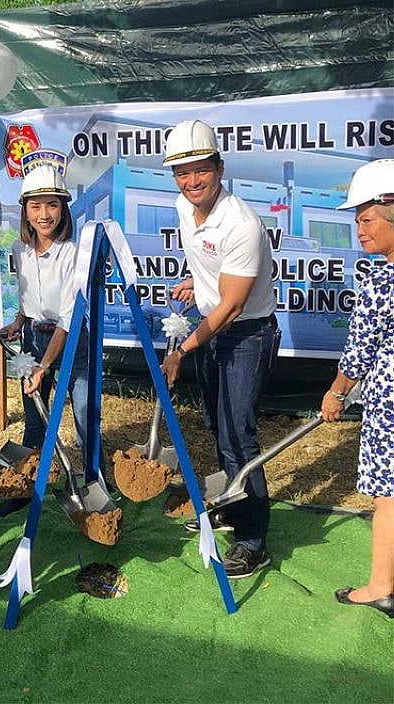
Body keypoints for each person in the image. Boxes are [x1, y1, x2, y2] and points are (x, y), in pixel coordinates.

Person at [160, 119, 279, 580]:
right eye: (181, 172)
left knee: (239, 437)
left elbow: (231, 307)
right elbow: (213, 273)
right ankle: (232, 505)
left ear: (219, 167)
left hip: (246, 335)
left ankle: (253, 540)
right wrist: (197, 282)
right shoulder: (182, 206)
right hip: (215, 329)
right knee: (216, 425)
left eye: (200, 170)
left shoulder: (242, 224)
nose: (191, 181)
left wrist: (181, 350)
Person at [0, 163, 100, 516]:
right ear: (25, 209)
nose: (44, 215)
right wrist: (18, 321)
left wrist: (45, 365)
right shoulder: (20, 252)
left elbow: (69, 317)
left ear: (64, 208)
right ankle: (27, 486)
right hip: (33, 340)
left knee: (86, 415)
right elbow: (31, 300)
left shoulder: (75, 255)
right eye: (36, 206)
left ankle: (92, 484)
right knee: (35, 420)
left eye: (52, 205)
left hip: (72, 342)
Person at [320, 159, 394, 618]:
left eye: (366, 219)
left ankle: (381, 586)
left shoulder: (382, 282)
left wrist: (335, 394)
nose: (359, 229)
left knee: (389, 498)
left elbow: (359, 353)